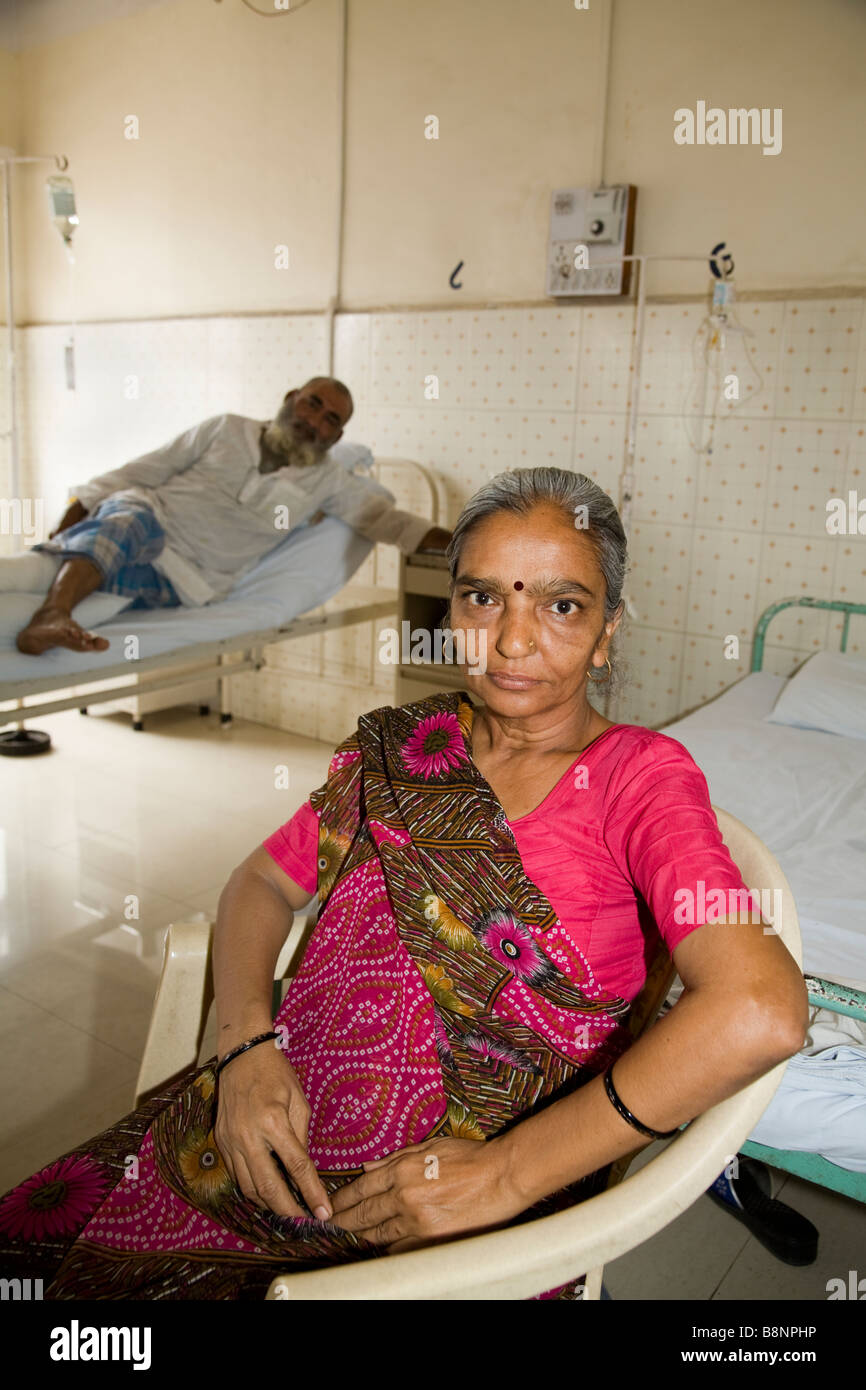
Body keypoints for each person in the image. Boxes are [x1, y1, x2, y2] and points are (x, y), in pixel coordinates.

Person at [0, 467, 808, 1300]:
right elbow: (260, 884)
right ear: (448, 614)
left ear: (607, 633)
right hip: (261, 1121)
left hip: (456, 1212)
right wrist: (245, 1046)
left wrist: (502, 1178)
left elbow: (759, 1009)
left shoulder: (639, 780)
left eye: (562, 606)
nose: (513, 641)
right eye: (482, 600)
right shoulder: (410, 748)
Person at [12, 376, 451, 656]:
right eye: (312, 403)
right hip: (145, 517)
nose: (314, 420)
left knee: (105, 586)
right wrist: (77, 509)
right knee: (122, 525)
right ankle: (52, 613)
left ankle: (46, 614)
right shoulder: (226, 429)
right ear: (290, 398)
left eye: (329, 419)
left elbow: (391, 522)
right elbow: (144, 470)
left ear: (336, 436)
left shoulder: (330, 483)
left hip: (186, 578)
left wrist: (465, 541)